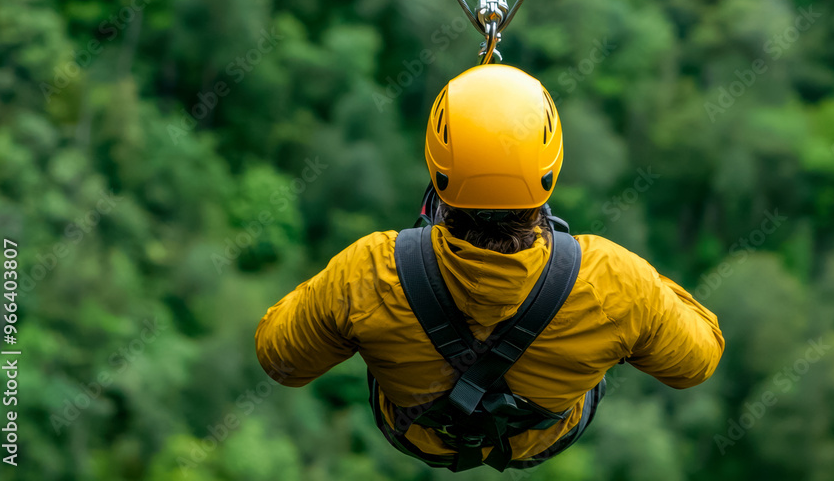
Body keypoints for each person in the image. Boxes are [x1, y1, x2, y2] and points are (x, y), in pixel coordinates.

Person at [255, 64, 725, 472]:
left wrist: (352, 304)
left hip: (416, 430)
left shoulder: (368, 271)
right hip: (542, 435)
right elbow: (697, 362)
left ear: (438, 172)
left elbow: (281, 360)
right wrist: (640, 294)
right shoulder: (614, 281)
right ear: (550, 170)